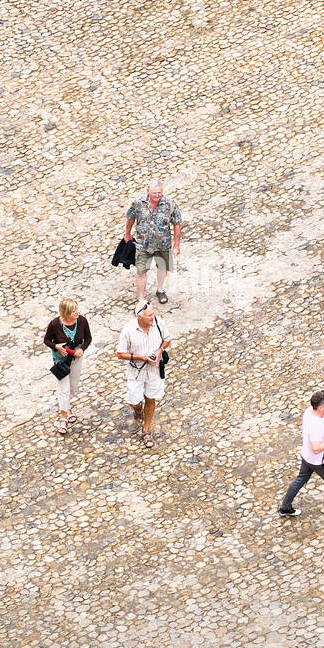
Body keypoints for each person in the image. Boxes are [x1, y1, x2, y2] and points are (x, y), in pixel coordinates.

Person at [115, 300, 171, 449]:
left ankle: (146, 430)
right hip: (136, 371)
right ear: (139, 317)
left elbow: (167, 339)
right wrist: (142, 357)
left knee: (151, 398)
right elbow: (120, 353)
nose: (153, 317)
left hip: (154, 371)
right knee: (134, 400)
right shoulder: (128, 330)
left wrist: (159, 351)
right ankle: (138, 409)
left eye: (153, 314)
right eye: (149, 316)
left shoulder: (159, 323)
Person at [124, 179, 183, 304]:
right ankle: (141, 299)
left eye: (159, 193)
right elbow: (131, 217)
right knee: (141, 271)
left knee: (162, 267)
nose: (157, 195)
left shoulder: (170, 203)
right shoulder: (138, 203)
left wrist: (177, 245)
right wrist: (127, 233)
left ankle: (160, 290)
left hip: (163, 244)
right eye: (154, 193)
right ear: (148, 191)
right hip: (143, 243)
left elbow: (177, 223)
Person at [44, 298, 92, 434]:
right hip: (61, 361)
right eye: (73, 311)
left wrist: (82, 349)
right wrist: (56, 347)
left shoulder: (82, 321)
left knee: (73, 387)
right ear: (65, 313)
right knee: (63, 389)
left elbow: (88, 338)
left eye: (76, 309)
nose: (77, 312)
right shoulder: (55, 324)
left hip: (76, 359)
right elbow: (46, 340)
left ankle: (66, 406)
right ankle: (63, 418)